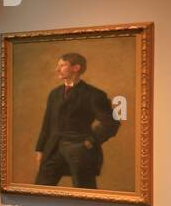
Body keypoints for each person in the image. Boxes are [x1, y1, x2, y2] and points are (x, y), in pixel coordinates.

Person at [33, 52, 118, 189]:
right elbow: (47, 124)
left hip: (80, 151)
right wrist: (40, 149)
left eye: (62, 65)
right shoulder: (54, 94)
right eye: (58, 66)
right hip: (53, 149)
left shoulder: (93, 94)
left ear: (76, 68)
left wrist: (90, 141)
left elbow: (111, 122)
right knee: (39, 191)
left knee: (85, 195)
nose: (57, 69)